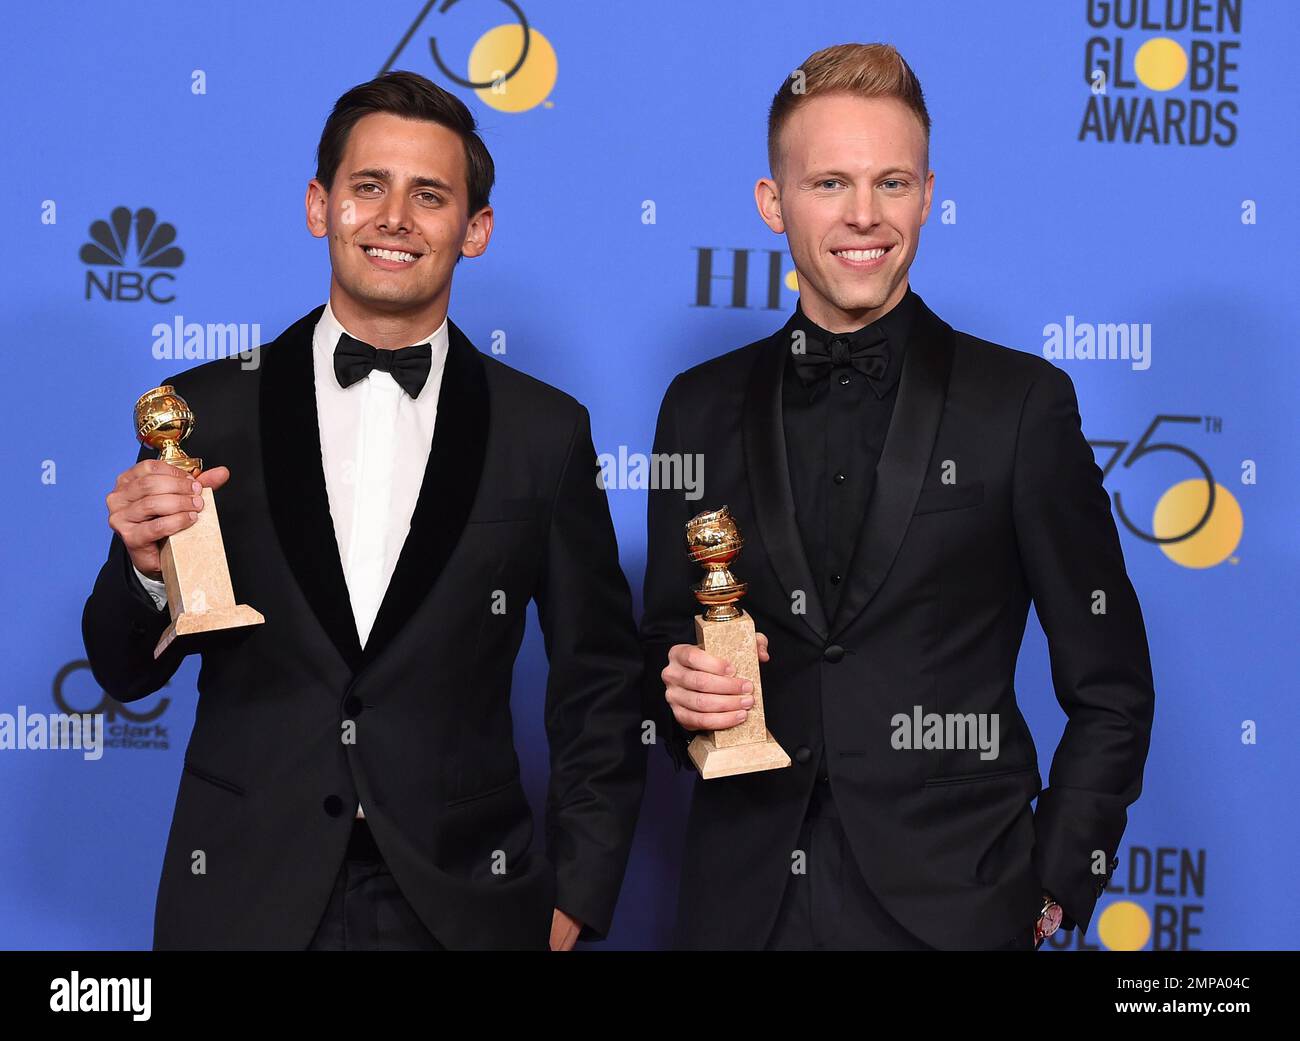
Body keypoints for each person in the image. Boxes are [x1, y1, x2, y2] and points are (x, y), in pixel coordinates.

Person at [83, 71, 645, 951]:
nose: (394, 218)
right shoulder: (202, 410)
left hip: (462, 905)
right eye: (368, 187)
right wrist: (144, 572)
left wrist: (579, 893)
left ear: (476, 229)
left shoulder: (546, 432)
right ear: (320, 205)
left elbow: (601, 680)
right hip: (240, 897)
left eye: (430, 195)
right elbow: (122, 670)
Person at [640, 43, 1155, 950]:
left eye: (893, 182)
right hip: (742, 906)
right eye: (829, 183)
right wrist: (676, 685)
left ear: (927, 195)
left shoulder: (1021, 405)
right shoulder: (697, 405)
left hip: (958, 904)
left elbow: (1111, 682)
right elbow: (661, 641)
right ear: (773, 203)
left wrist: (1053, 882)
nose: (864, 215)